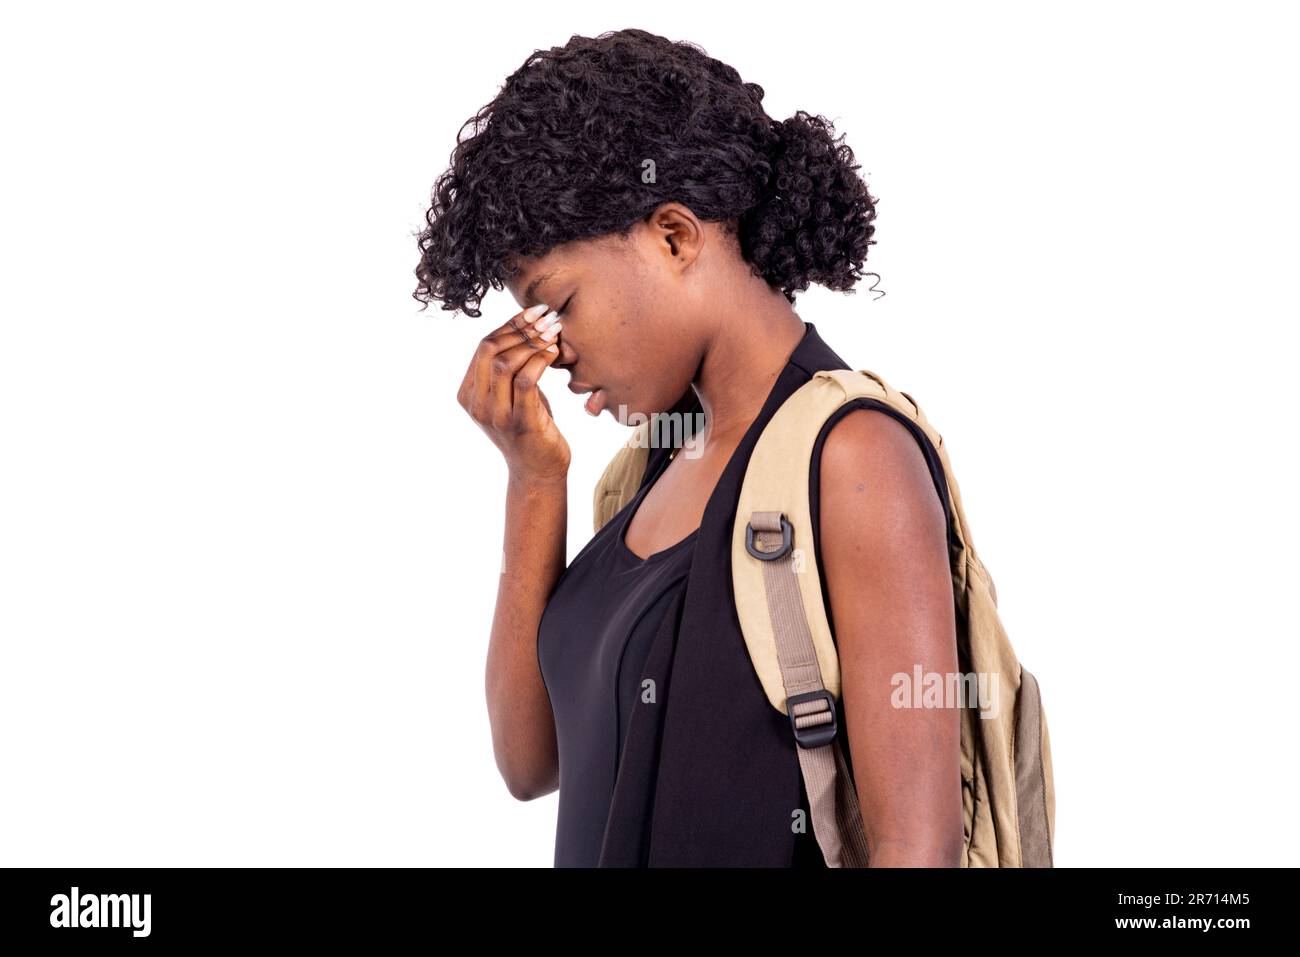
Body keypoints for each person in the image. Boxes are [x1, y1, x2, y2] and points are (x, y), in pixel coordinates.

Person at [414, 28, 962, 867]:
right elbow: (531, 762)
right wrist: (533, 480)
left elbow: (915, 851)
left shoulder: (851, 457)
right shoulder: (653, 470)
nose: (548, 350)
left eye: (556, 305)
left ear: (674, 236)